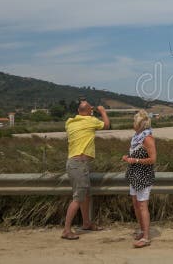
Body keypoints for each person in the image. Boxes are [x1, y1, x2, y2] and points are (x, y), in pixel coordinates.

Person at [61, 100, 109, 240]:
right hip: (79, 164)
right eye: (91, 108)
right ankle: (66, 230)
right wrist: (102, 111)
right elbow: (106, 125)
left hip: (75, 164)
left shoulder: (69, 122)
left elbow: (82, 113)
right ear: (88, 111)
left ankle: (86, 223)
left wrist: (88, 109)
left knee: (85, 195)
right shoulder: (90, 120)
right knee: (78, 197)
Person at [122, 110, 157, 248]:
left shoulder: (147, 138)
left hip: (143, 176)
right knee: (136, 205)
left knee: (142, 206)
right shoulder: (137, 137)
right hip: (134, 175)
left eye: (134, 121)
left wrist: (134, 160)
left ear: (140, 124)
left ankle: (146, 237)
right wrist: (128, 158)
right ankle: (142, 231)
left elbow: (153, 159)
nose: (132, 123)